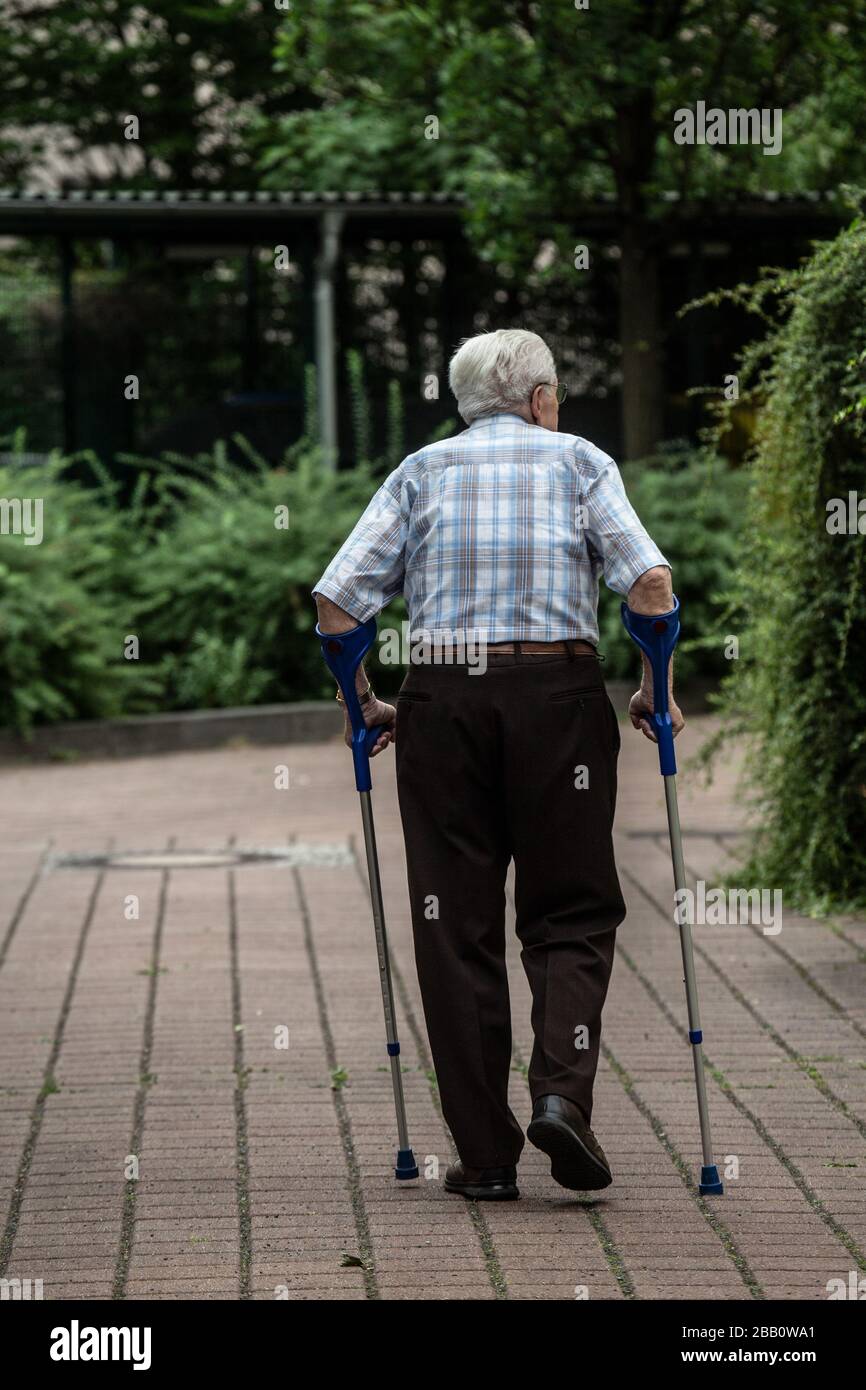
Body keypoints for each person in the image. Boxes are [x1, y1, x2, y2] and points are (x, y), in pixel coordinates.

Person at [313, 328, 682, 1201]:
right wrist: (653, 687)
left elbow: (336, 606)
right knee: (573, 910)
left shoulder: (421, 471)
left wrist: (360, 700)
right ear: (542, 399)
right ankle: (560, 1094)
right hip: (557, 696)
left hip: (442, 706)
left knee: (453, 926)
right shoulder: (579, 463)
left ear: (466, 404)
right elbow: (653, 591)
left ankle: (485, 1159)